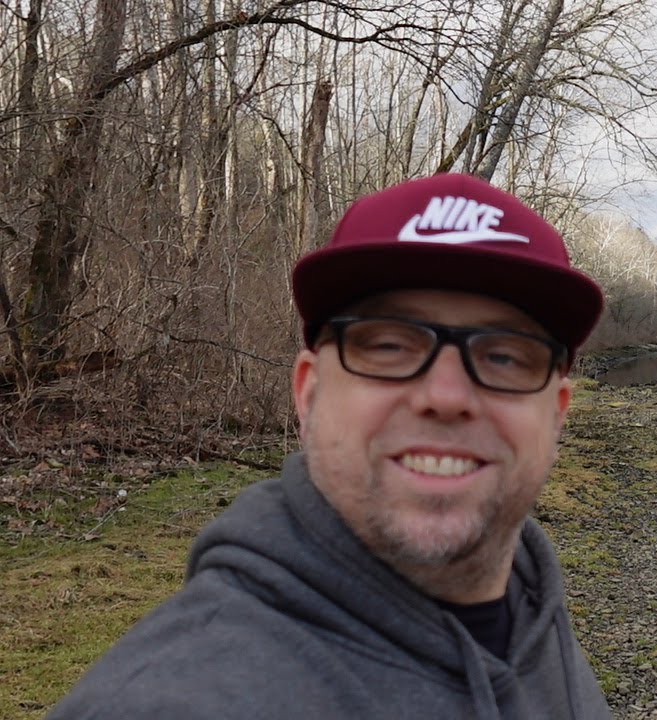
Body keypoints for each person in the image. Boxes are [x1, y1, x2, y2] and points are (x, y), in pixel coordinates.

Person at [47, 173, 611, 719]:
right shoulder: (168, 701)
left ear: (557, 414)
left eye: (506, 356)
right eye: (388, 346)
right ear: (309, 394)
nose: (445, 396)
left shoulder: (533, 612)